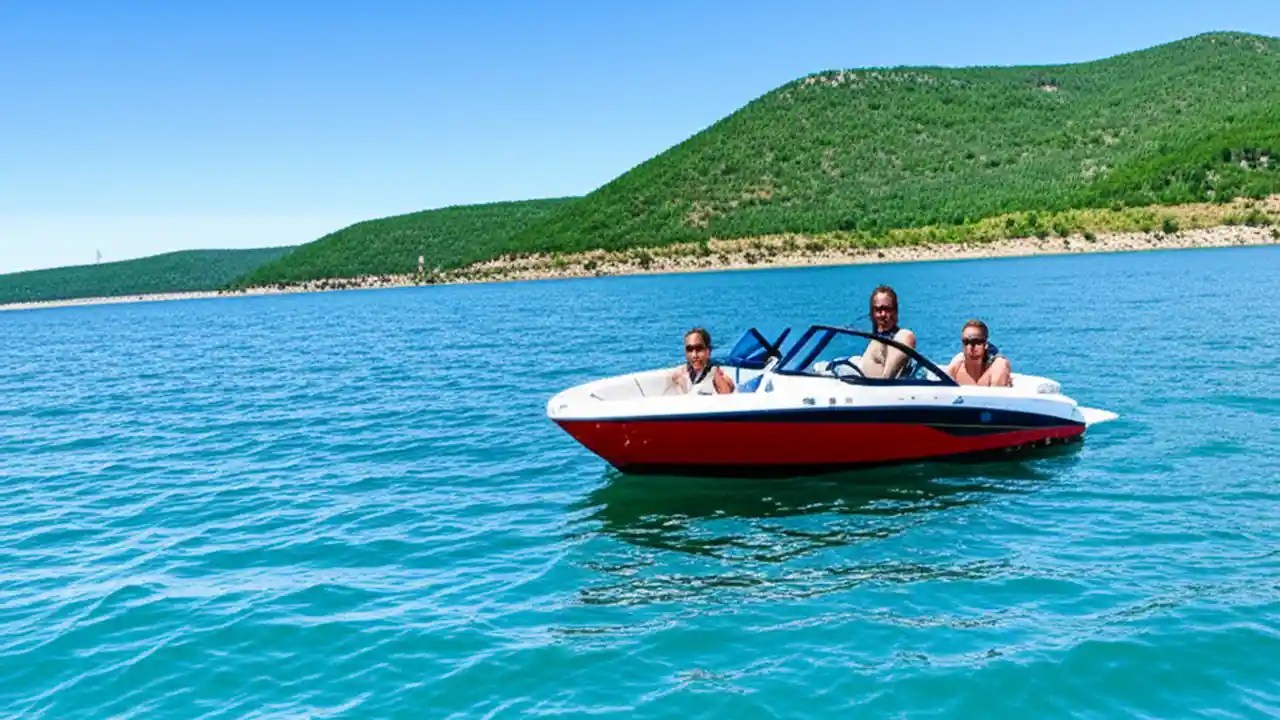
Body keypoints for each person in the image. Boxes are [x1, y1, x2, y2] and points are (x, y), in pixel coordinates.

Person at [859, 285, 917, 378]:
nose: (883, 314)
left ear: (895, 312)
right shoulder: (874, 340)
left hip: (882, 389)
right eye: (878, 310)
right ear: (872, 314)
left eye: (887, 309)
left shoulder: (902, 336)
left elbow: (886, 378)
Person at [667, 327, 735, 394]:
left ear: (709, 351)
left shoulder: (717, 374)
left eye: (699, 349)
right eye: (690, 349)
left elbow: (727, 399)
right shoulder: (680, 374)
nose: (694, 355)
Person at [946, 319, 1012, 386]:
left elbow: (997, 394)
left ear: (986, 344)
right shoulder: (957, 364)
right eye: (966, 342)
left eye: (976, 342)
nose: (970, 347)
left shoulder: (998, 365)